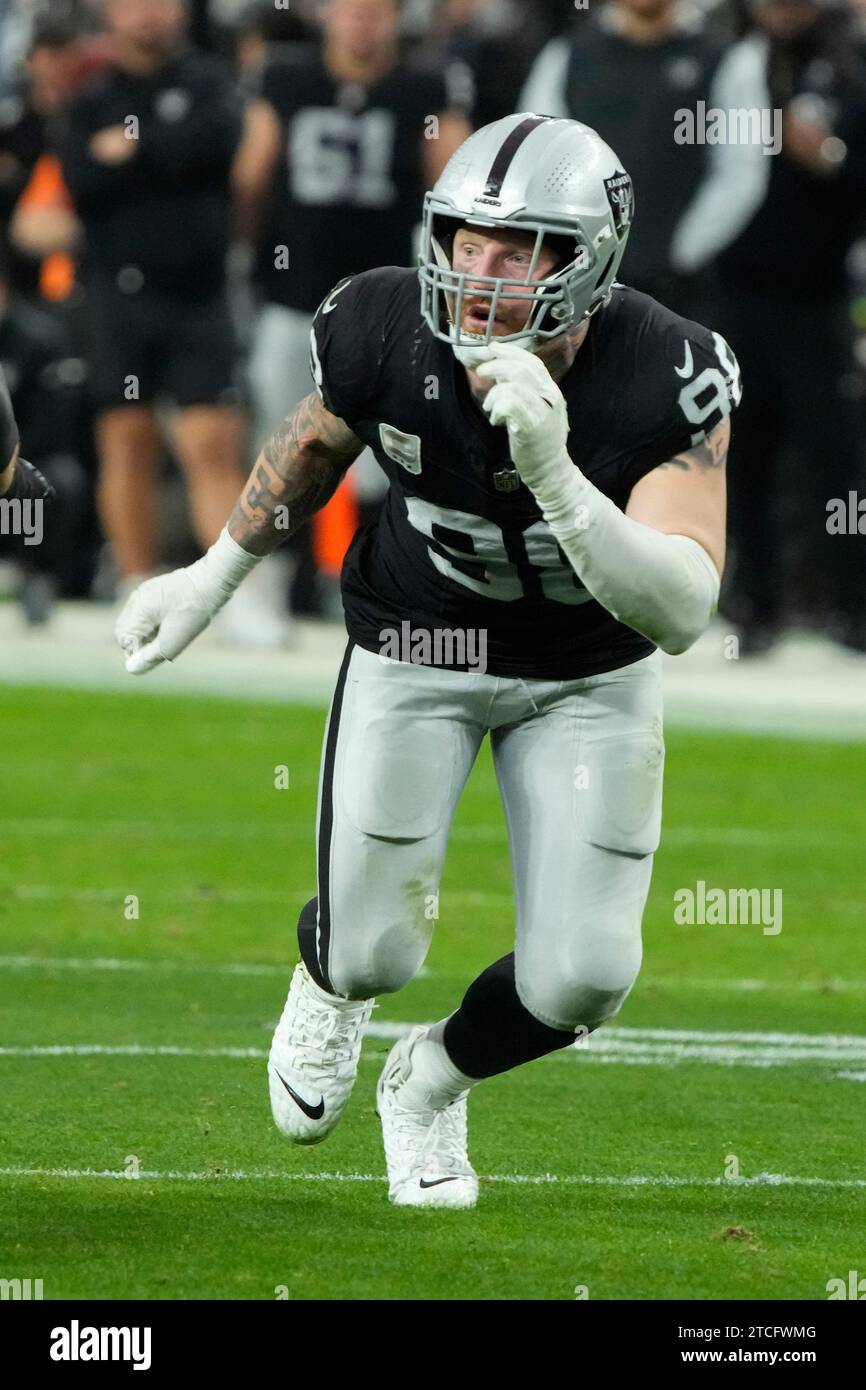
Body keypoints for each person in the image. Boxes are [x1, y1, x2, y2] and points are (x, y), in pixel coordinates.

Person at [115, 113, 740, 1209]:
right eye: (462, 238)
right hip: (415, 641)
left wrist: (555, 473)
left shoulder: (665, 368)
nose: (477, 271)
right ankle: (329, 976)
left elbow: (684, 607)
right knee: (373, 951)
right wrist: (210, 576)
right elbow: (312, 443)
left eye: (517, 249)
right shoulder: (378, 324)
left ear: (587, 258)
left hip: (586, 674)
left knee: (584, 975)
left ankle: (430, 1080)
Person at [56, 0, 258, 617]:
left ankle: (232, 597)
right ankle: (134, 582)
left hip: (197, 292)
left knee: (212, 443)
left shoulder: (210, 82)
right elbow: (81, 177)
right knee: (126, 438)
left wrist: (132, 150)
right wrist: (158, 152)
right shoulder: (88, 94)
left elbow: (214, 143)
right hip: (115, 293)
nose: (148, 14)